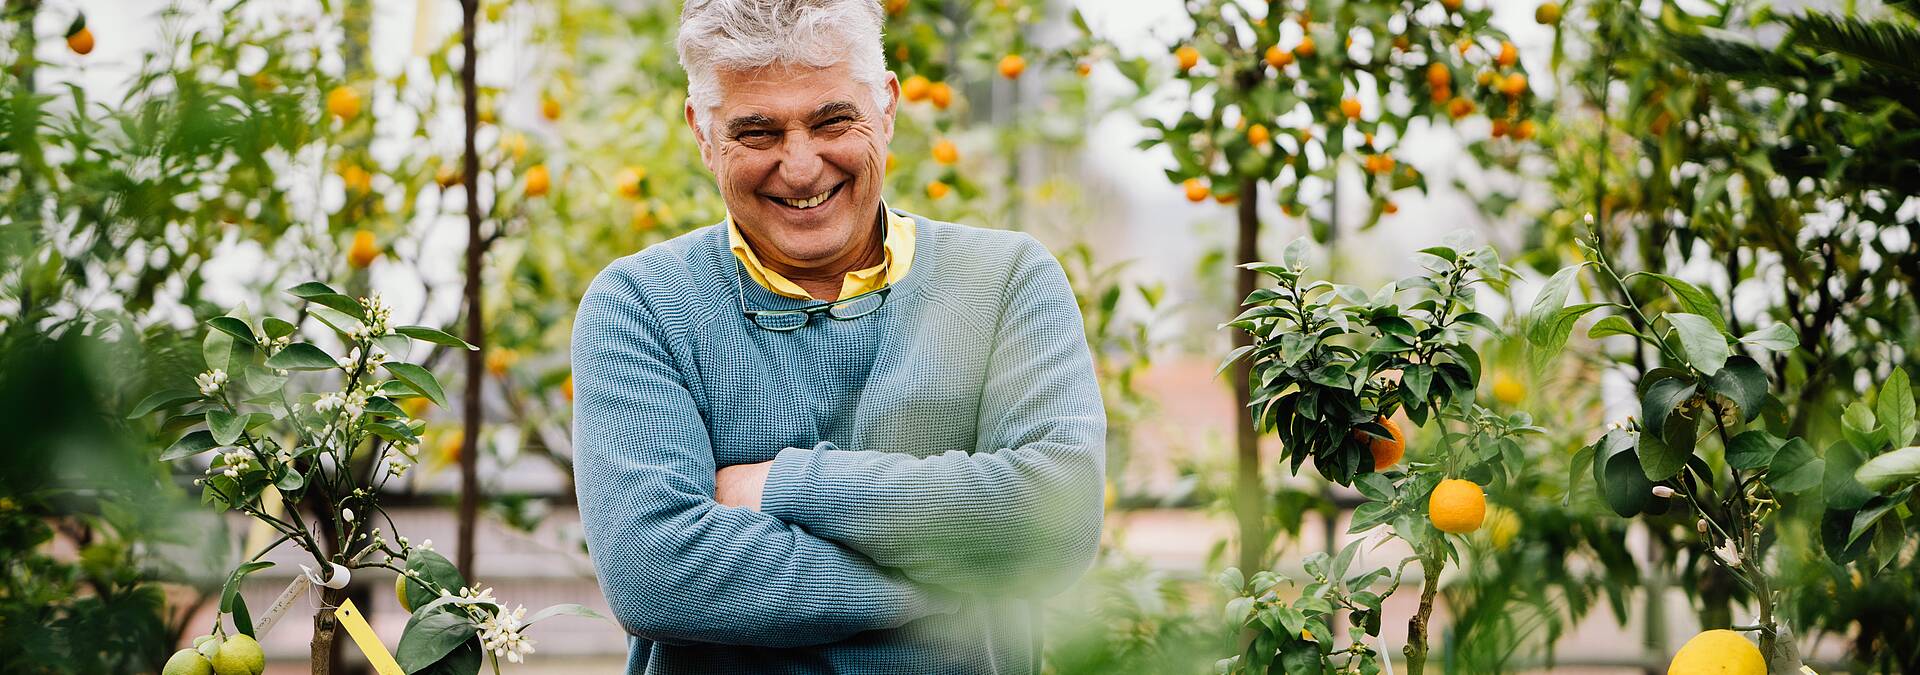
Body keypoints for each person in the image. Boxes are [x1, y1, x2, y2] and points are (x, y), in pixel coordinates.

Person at [569, 1, 1106, 672]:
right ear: (702, 134)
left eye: (832, 120)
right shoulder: (642, 305)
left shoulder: (1005, 283)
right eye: (756, 132)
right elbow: (659, 575)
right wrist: (956, 571)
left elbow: (1056, 522)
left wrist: (783, 487)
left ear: (885, 107)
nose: (800, 167)